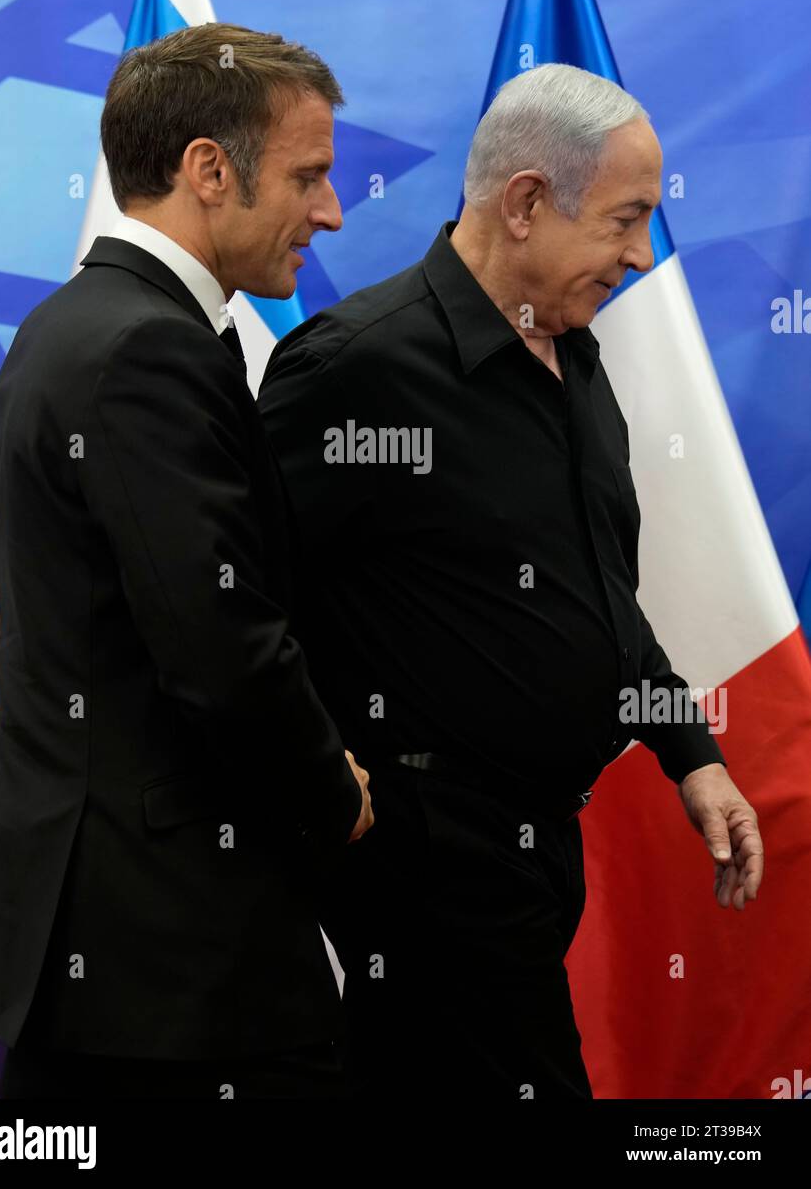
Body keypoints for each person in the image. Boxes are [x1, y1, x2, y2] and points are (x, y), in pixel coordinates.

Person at [257, 63, 764, 1100]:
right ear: (526, 202)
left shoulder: (570, 352)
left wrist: (687, 753)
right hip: (423, 866)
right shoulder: (356, 368)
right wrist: (323, 782)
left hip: (535, 855)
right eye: (623, 220)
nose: (637, 253)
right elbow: (239, 606)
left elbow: (599, 604)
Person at [0, 23, 373, 1100]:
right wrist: (332, 784)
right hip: (168, 965)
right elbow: (219, 644)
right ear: (206, 170)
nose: (328, 213)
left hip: (105, 941)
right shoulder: (148, 348)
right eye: (309, 176)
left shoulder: (67, 325)